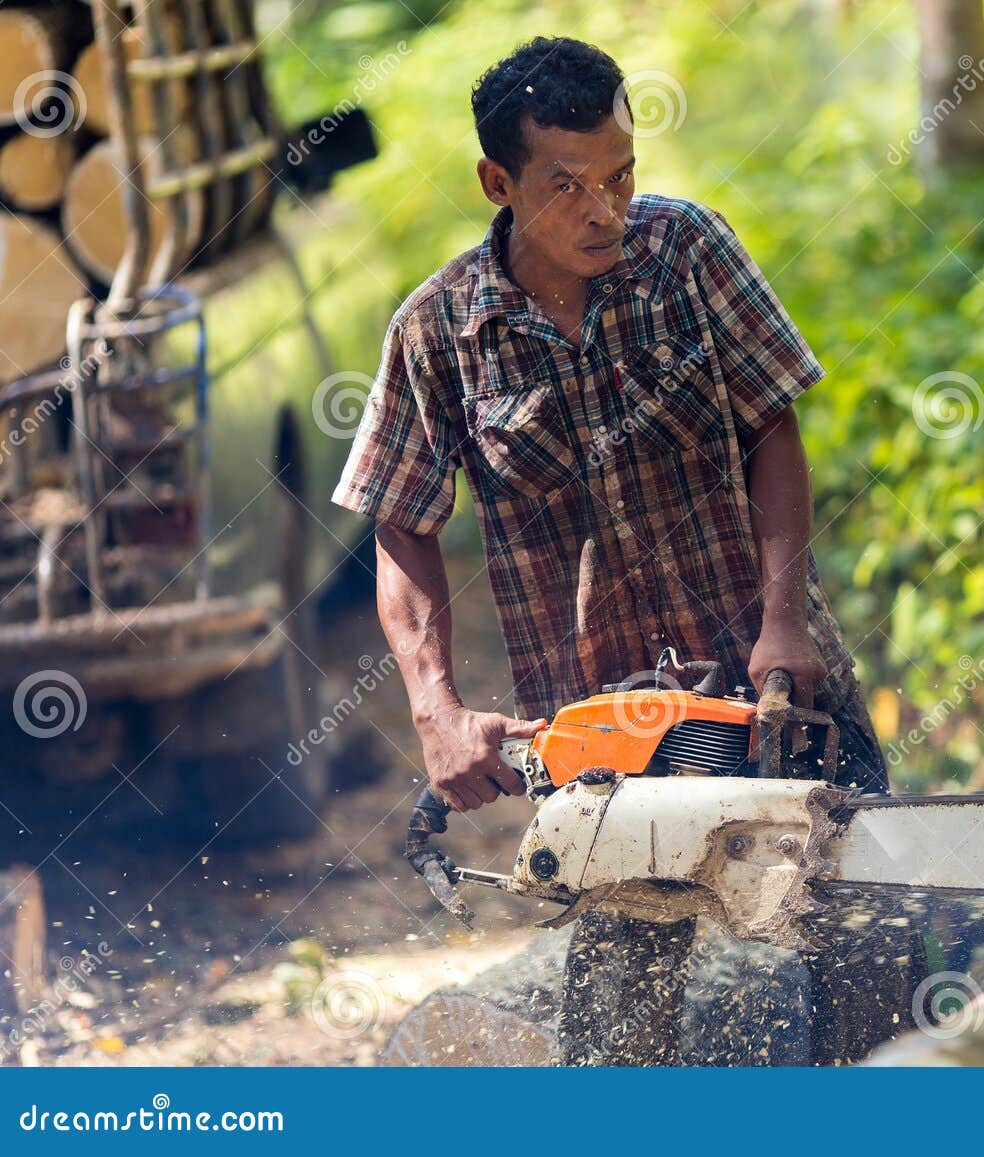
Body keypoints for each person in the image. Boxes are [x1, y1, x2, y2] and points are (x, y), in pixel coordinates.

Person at [333, 35, 910, 1063]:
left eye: (620, 175)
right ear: (497, 183)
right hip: (598, 721)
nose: (603, 210)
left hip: (763, 666)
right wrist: (437, 712)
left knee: (868, 927)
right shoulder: (440, 330)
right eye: (567, 187)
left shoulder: (689, 253)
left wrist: (783, 620)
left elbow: (772, 423)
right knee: (619, 1006)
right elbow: (401, 519)